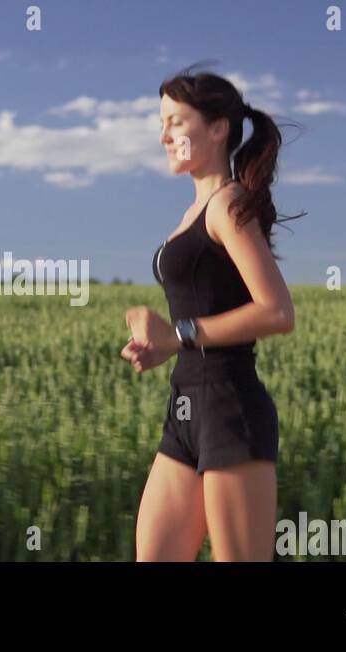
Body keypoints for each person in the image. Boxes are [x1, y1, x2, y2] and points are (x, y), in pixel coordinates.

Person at [121, 65, 305, 561]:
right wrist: (161, 345)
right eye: (162, 123)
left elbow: (277, 311)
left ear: (218, 127)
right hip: (185, 410)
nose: (164, 135)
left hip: (229, 410)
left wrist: (178, 335)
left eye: (176, 122)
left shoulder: (228, 205)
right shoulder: (190, 216)